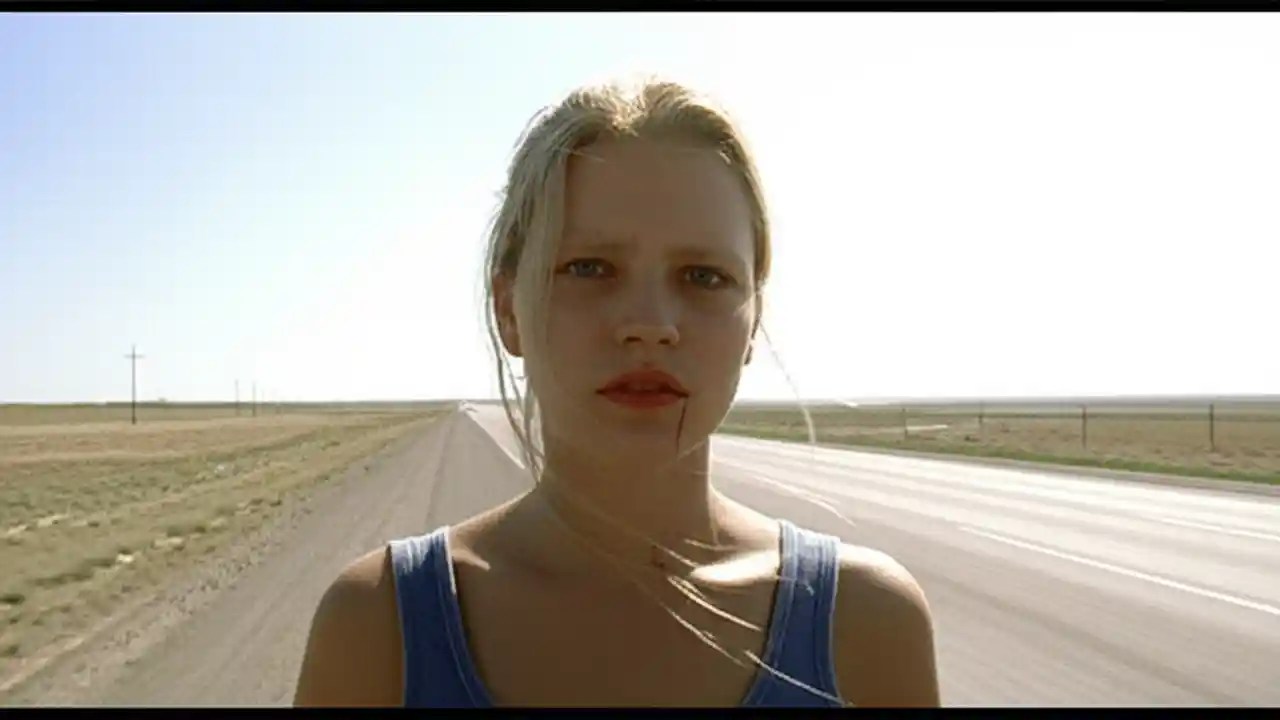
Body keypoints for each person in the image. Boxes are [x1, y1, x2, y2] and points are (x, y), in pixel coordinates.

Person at [292, 76, 940, 708]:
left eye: (704, 276)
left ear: (754, 323)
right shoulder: (379, 629)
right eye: (589, 268)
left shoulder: (868, 625)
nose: (650, 325)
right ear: (508, 310)